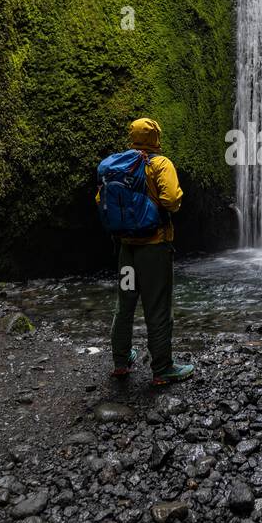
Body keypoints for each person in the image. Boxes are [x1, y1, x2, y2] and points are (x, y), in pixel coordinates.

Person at [99, 117, 194, 386]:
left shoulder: (116, 166)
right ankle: (162, 368)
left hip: (126, 251)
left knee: (125, 303)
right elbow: (172, 199)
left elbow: (100, 200)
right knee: (158, 308)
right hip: (154, 250)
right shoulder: (159, 163)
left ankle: (120, 361)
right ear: (156, 138)